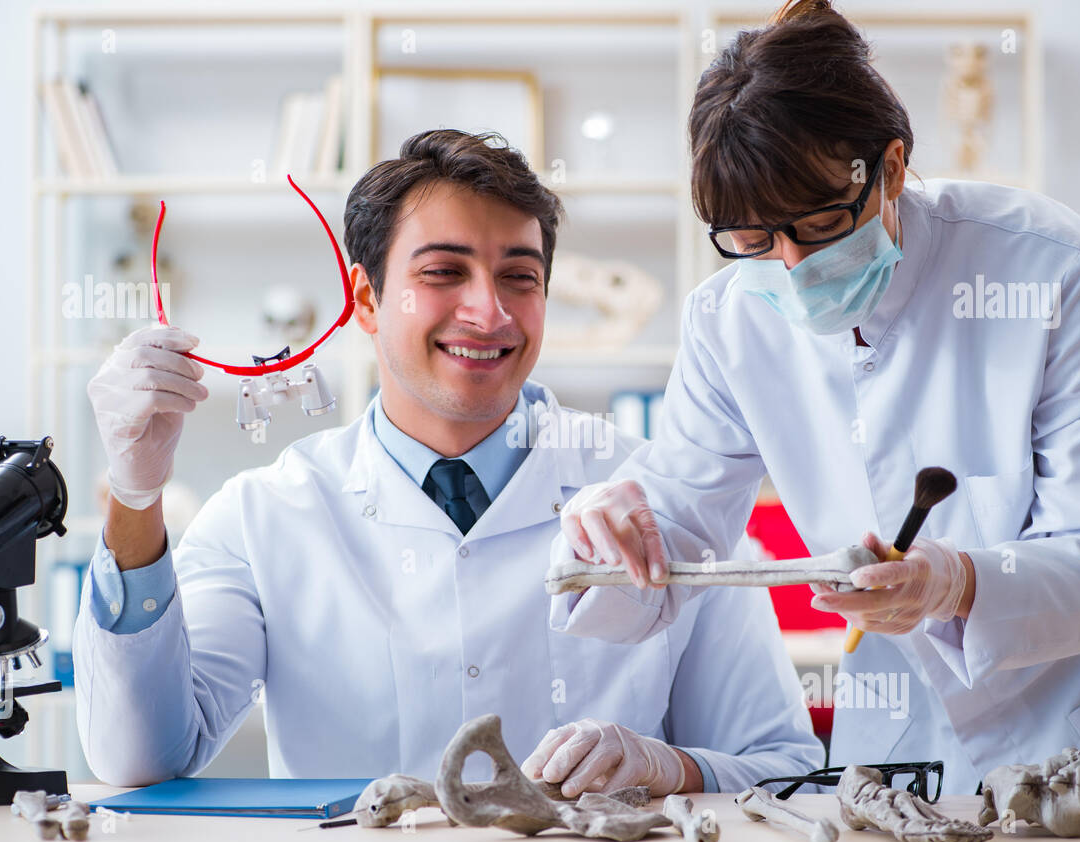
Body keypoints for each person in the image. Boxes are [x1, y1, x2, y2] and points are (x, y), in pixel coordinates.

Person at [551, 0, 1080, 796]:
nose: (792, 268)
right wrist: (603, 539)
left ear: (891, 168)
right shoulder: (727, 324)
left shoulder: (1052, 269)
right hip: (910, 716)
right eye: (753, 241)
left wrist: (958, 583)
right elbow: (673, 538)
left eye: (821, 225)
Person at [74, 128, 822, 795]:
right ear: (366, 299)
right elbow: (139, 755)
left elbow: (783, 769)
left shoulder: (668, 501)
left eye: (520, 277)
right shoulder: (264, 516)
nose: (489, 312)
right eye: (443, 272)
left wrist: (670, 769)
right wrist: (135, 500)